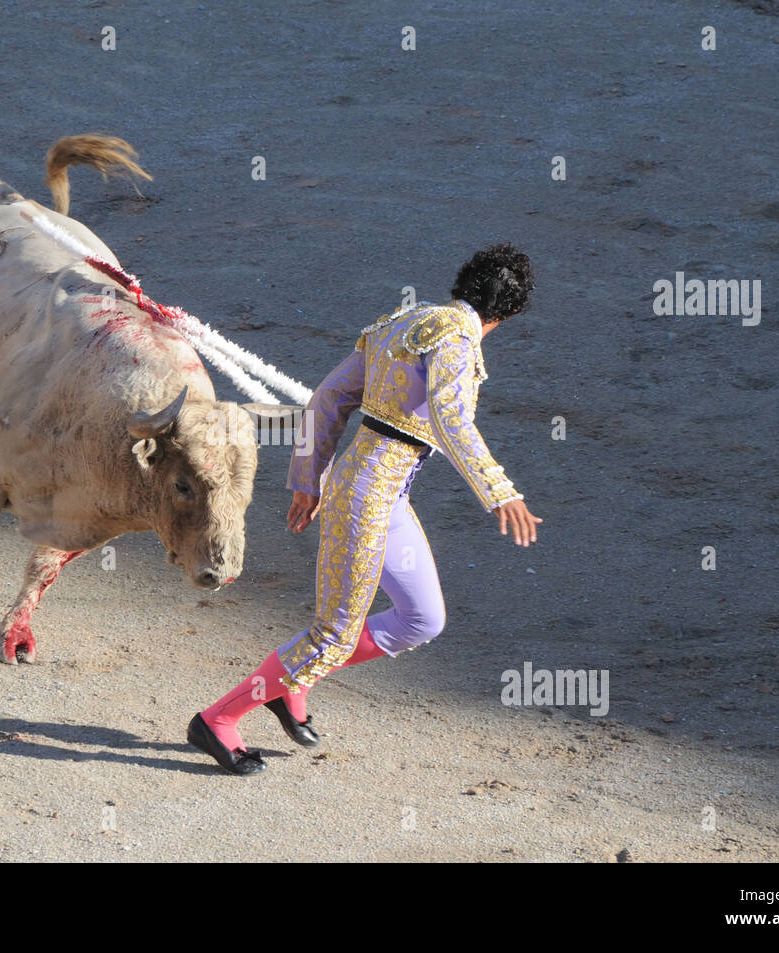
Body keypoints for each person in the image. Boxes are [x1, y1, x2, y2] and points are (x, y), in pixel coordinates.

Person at [188, 243, 543, 774]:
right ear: (508, 315)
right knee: (332, 634)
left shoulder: (405, 319)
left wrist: (309, 480)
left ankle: (292, 685)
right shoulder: (459, 340)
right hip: (365, 497)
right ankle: (218, 719)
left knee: (422, 618)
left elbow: (330, 396)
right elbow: (451, 417)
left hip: (378, 493)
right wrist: (500, 490)